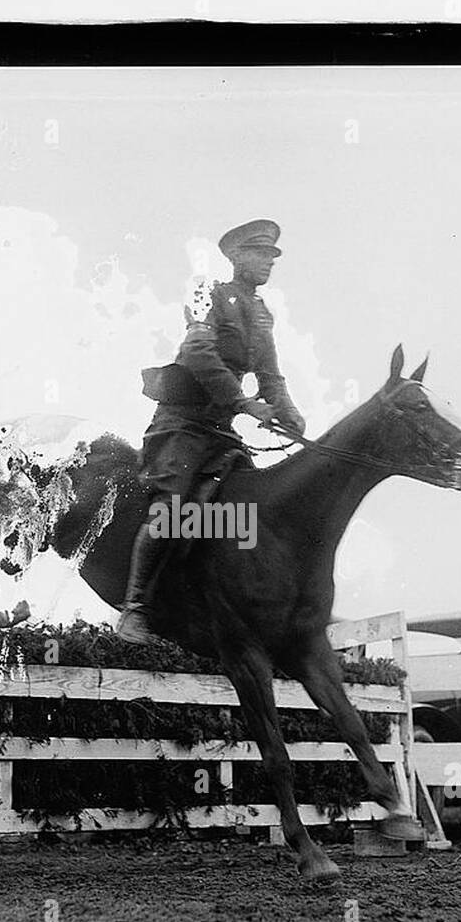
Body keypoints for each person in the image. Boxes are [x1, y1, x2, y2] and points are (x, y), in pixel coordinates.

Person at [116, 219, 307, 644]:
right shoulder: (206, 293)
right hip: (181, 424)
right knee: (171, 510)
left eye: (272, 257)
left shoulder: (260, 313)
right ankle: (135, 609)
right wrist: (243, 403)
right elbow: (197, 352)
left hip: (220, 432)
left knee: (249, 509)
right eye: (259, 255)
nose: (267, 264)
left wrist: (289, 413)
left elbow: (271, 375)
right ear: (237, 257)